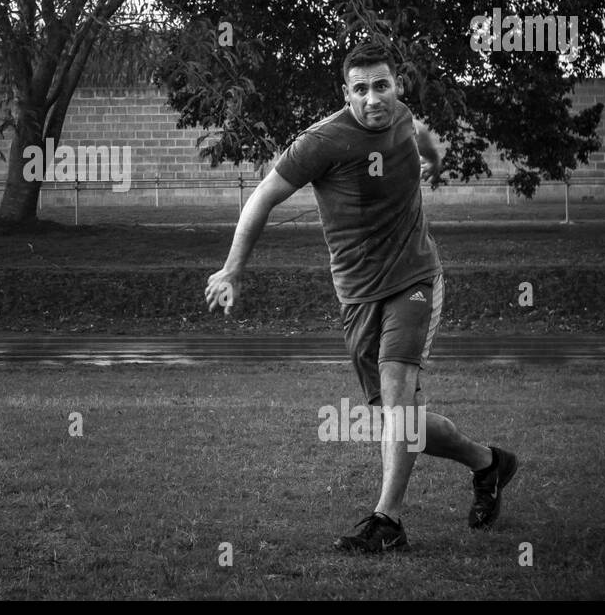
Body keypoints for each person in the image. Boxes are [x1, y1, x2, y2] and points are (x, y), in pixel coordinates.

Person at [204, 45, 518, 552]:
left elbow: (421, 137)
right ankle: (488, 463)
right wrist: (233, 269)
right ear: (345, 93)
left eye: (382, 85)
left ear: (397, 85)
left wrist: (434, 164)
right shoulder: (322, 142)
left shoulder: (402, 118)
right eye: (361, 88)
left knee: (399, 403)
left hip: (415, 278)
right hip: (356, 295)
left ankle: (386, 523)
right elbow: (261, 198)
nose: (374, 98)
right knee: (398, 420)